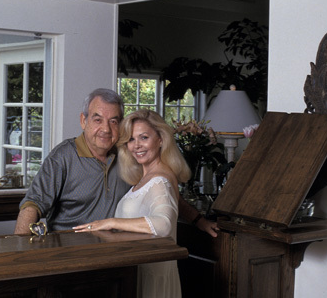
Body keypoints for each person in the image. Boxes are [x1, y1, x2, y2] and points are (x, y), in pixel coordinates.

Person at [14, 88, 219, 237]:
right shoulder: (63, 157)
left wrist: (198, 220)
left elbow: (162, 194)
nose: (106, 129)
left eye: (113, 121)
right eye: (97, 119)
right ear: (83, 121)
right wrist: (19, 250)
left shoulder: (129, 156)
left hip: (117, 256)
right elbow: (33, 205)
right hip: (70, 253)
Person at [74, 109, 188, 298]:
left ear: (161, 139)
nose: (136, 146)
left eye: (144, 137)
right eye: (131, 139)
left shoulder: (160, 181)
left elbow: (164, 225)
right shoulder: (147, 178)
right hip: (137, 271)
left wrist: (111, 222)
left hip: (153, 276)